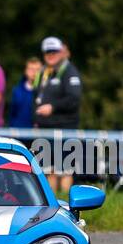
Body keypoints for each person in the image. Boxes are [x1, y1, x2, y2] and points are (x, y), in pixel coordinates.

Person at [33, 36, 83, 194]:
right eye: (47, 52)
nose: (50, 55)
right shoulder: (44, 72)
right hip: (45, 129)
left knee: (65, 170)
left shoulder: (69, 72)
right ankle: (53, 207)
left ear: (61, 52)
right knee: (49, 170)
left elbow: (74, 99)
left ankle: (68, 206)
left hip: (64, 129)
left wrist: (52, 107)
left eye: (54, 51)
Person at [9, 57, 40, 130]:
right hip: (19, 134)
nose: (34, 72)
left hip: (39, 136)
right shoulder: (17, 91)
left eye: (37, 70)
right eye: (31, 69)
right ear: (26, 71)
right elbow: (12, 114)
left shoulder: (47, 91)